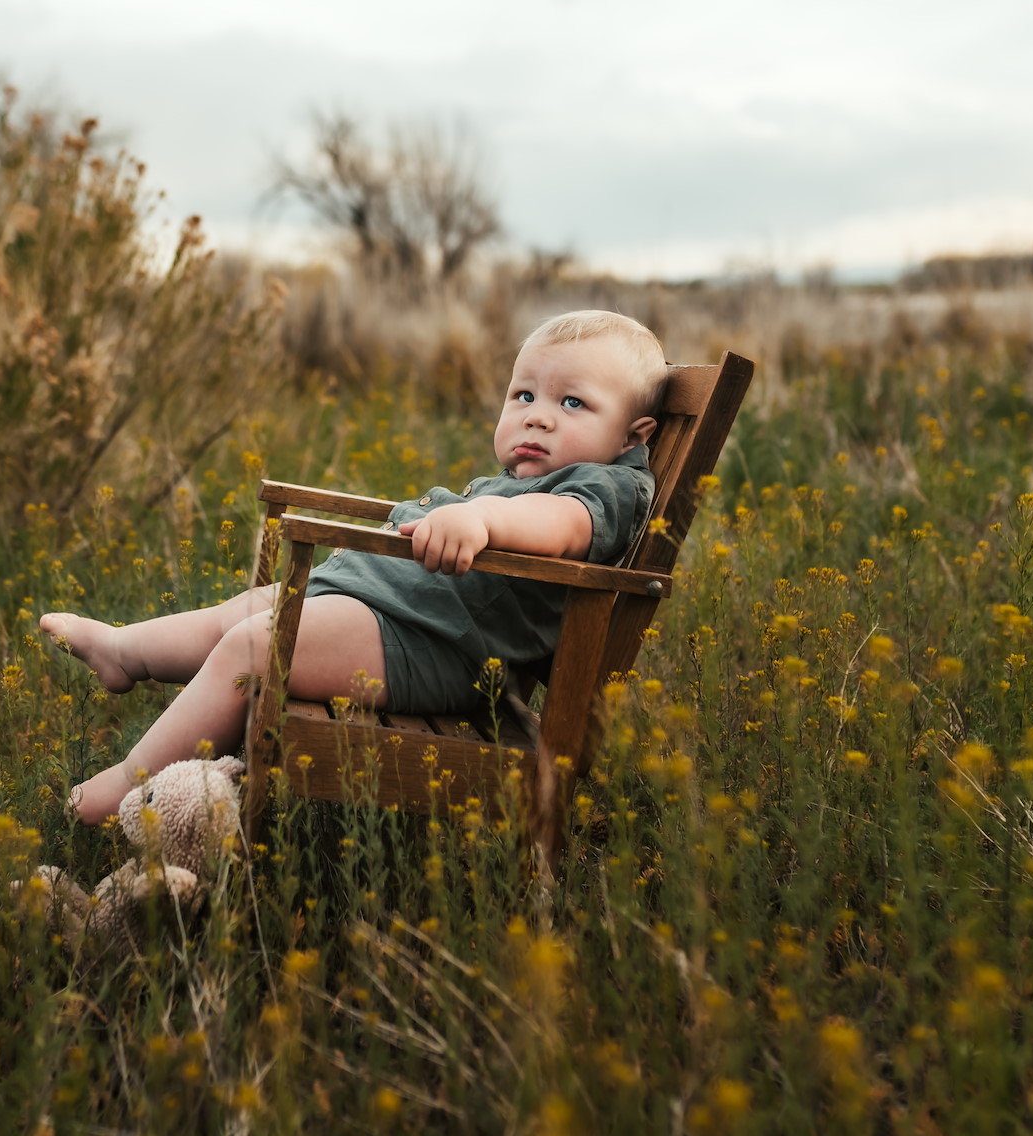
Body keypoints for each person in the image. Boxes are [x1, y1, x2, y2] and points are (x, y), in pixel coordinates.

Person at [41, 310, 664, 823]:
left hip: (432, 648)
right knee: (242, 614)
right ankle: (126, 654)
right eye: (524, 395)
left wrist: (482, 522)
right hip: (389, 613)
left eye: (573, 403)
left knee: (254, 647)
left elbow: (561, 529)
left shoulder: (604, 486)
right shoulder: (518, 479)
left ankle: (125, 789)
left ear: (634, 436)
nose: (538, 414)